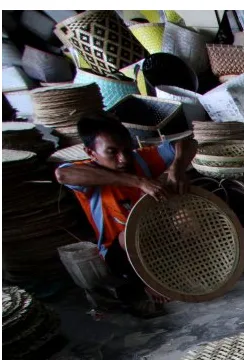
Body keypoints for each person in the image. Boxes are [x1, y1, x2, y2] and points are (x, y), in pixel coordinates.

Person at [55, 114, 194, 317]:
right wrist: (137, 182)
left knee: (187, 215)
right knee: (128, 234)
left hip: (157, 241)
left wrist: (177, 168)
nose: (123, 159)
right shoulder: (88, 175)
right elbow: (62, 174)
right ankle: (150, 282)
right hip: (120, 254)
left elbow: (188, 143)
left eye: (126, 150)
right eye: (112, 152)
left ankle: (187, 266)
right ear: (90, 152)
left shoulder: (140, 160)